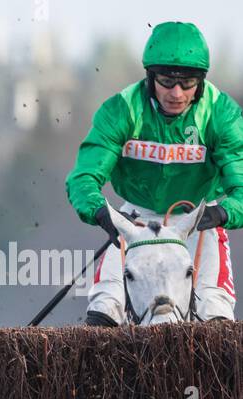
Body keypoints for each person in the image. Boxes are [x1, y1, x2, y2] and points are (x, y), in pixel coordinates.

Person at [66, 21, 242, 325]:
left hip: (197, 219)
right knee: (105, 306)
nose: (176, 92)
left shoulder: (220, 113)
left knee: (214, 309)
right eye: (166, 81)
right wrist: (99, 211)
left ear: (201, 81)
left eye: (188, 82)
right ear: (150, 77)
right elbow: (83, 177)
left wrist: (224, 212)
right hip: (137, 218)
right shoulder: (121, 110)